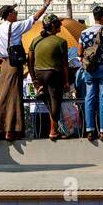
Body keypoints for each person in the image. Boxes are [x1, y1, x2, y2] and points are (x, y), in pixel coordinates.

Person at [0, 0, 52, 141]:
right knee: (14, 96)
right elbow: (35, 17)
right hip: (14, 64)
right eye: (14, 11)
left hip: (3, 64)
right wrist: (45, 5)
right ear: (9, 15)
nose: (16, 13)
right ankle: (10, 130)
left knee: (2, 96)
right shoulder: (15, 26)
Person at [77, 5, 103, 141]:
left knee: (89, 97)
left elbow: (79, 52)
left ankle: (90, 129)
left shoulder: (84, 33)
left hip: (89, 69)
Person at [29, 13, 70, 141]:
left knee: (48, 101)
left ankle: (41, 90)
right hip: (53, 74)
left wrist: (34, 79)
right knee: (55, 102)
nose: (60, 26)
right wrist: (67, 82)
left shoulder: (35, 40)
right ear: (53, 26)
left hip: (39, 74)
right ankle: (53, 131)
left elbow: (29, 61)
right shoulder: (61, 42)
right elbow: (65, 65)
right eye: (58, 24)